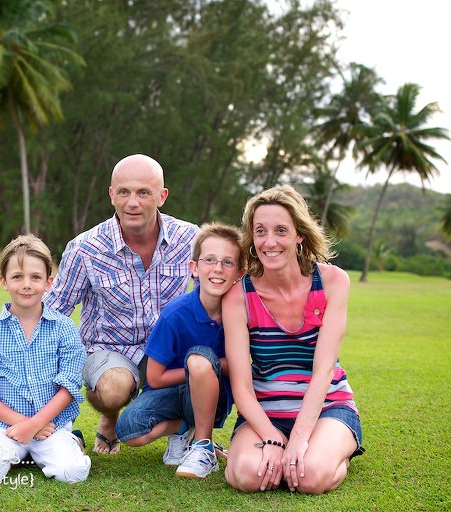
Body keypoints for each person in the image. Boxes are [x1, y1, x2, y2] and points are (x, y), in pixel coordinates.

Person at [44, 154, 198, 455]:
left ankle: (190, 433)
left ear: (162, 196)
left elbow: (216, 294)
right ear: (111, 194)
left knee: (202, 363)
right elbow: (54, 310)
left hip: (168, 349)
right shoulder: (86, 248)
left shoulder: (191, 239)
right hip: (110, 350)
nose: (133, 202)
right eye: (124, 192)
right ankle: (110, 416)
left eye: (144, 193)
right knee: (114, 388)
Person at [222, 185, 364, 494]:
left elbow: (324, 370)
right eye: (260, 231)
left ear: (299, 234)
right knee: (247, 476)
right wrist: (271, 437)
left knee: (308, 476)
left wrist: (299, 438)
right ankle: (285, 449)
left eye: (281, 231)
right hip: (265, 413)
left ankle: (335, 451)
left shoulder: (333, 281)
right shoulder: (238, 295)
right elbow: (242, 386)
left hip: (326, 408)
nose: (269, 242)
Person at [115, 223, 244, 478]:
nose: (218, 268)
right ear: (194, 268)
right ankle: (183, 428)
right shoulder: (175, 313)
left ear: (240, 273)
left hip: (215, 397)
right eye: (210, 260)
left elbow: (244, 368)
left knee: (200, 358)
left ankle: (203, 446)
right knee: (129, 429)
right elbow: (154, 378)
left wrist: (208, 368)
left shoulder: (242, 313)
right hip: (171, 391)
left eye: (228, 262)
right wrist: (198, 370)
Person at [0, 235, 91, 484]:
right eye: (17, 277)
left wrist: (36, 424)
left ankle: (72, 441)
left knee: (72, 473)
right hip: (8, 426)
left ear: (48, 282)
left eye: (35, 277)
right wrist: (25, 425)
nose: (26, 284)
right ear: (3, 281)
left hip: (52, 426)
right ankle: (24, 454)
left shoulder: (64, 328)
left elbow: (69, 386)